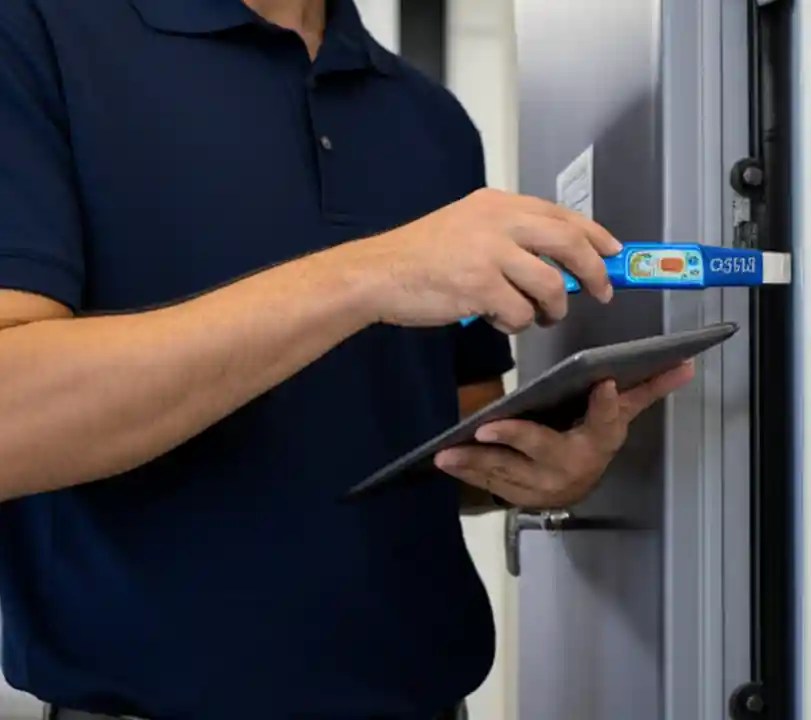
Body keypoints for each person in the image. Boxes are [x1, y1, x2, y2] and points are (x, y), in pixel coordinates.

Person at [0, 0, 694, 718]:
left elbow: (447, 433)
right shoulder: (36, 33)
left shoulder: (430, 121)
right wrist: (366, 276)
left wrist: (533, 474)